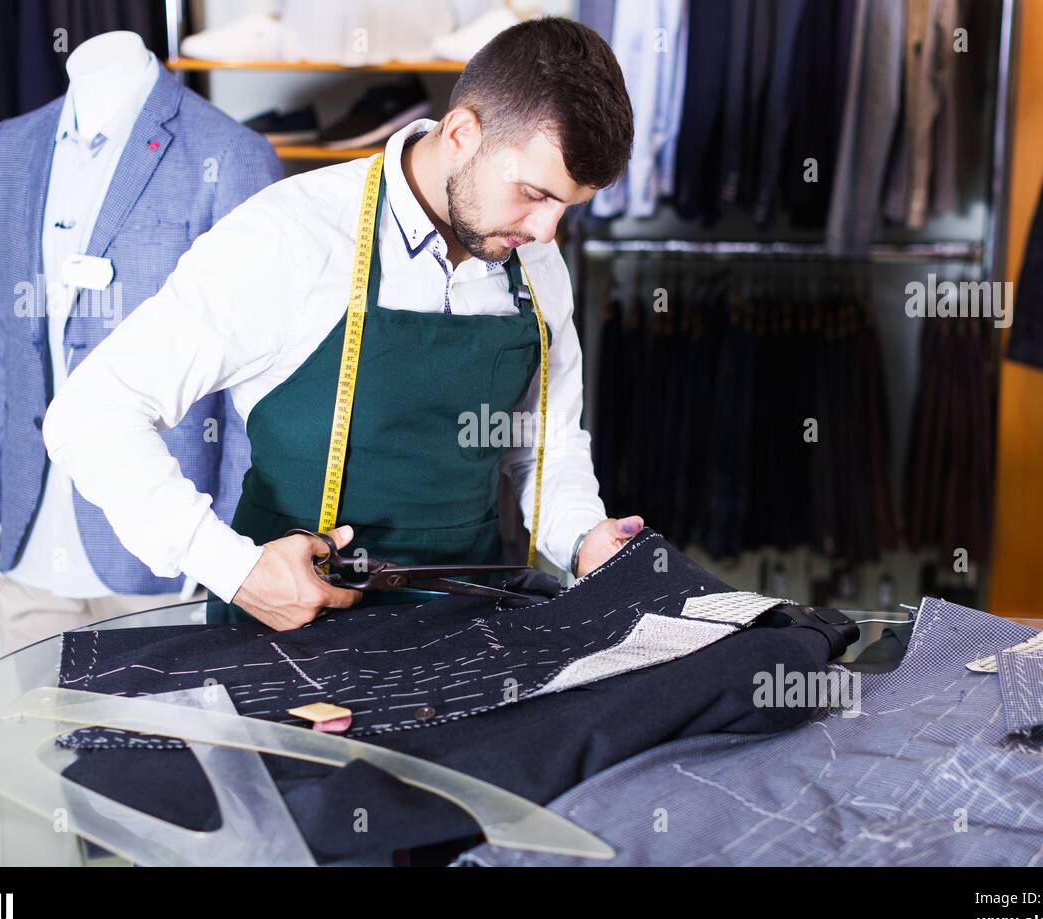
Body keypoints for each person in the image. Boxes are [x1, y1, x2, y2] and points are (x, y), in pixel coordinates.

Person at [44, 16, 644, 631]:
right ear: (462, 133)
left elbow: (543, 445)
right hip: (294, 636)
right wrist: (232, 568)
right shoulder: (293, 235)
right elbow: (91, 414)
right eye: (535, 194)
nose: (548, 233)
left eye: (566, 207)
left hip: (465, 628)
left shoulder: (535, 262)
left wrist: (580, 537)